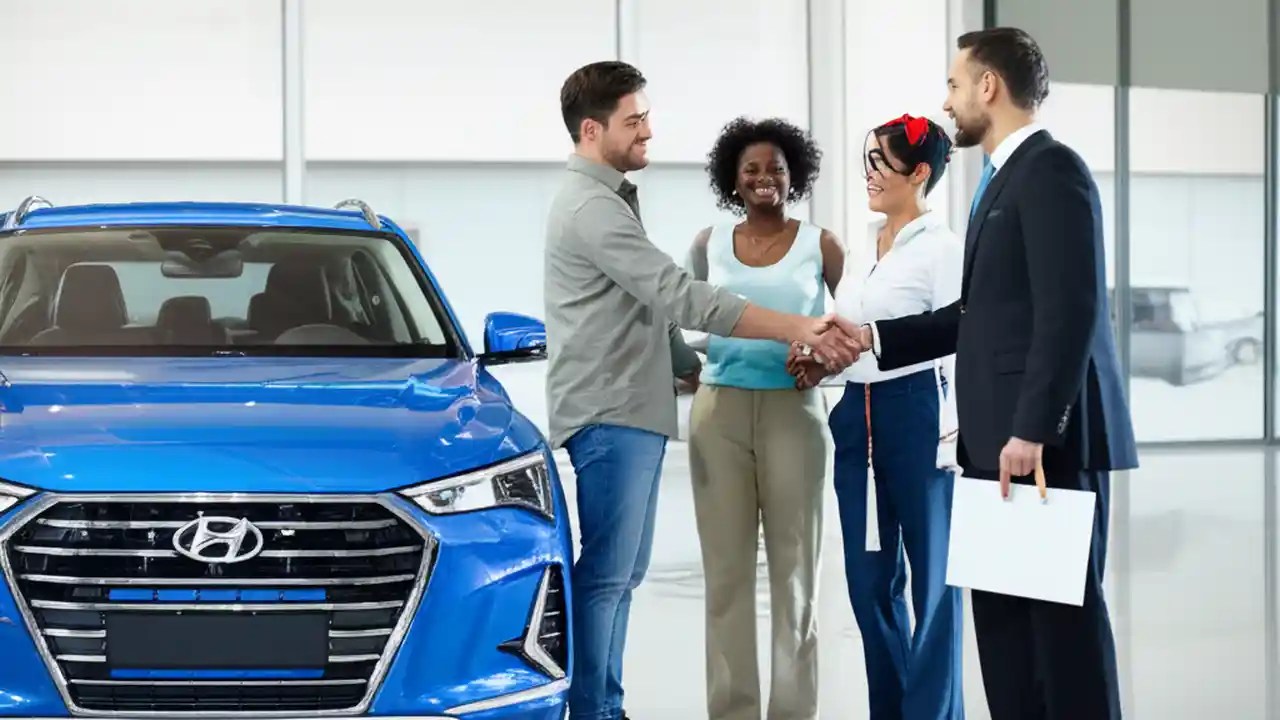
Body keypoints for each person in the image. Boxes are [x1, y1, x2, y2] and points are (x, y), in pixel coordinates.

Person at [835, 28, 1139, 720]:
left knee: (1062, 638)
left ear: (988, 87)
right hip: (996, 449)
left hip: (1040, 450)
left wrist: (1031, 428)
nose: (948, 102)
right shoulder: (1000, 181)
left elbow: (1071, 309)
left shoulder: (1051, 170)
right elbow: (977, 315)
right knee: (1005, 635)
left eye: (953, 85)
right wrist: (872, 338)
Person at [543, 61, 861, 720]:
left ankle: (607, 706)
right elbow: (679, 296)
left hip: (701, 409)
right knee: (614, 577)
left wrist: (686, 360)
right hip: (621, 412)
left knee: (627, 577)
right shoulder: (594, 207)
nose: (649, 130)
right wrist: (796, 326)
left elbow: (651, 310)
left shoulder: (610, 200)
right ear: (593, 128)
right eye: (635, 120)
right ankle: (598, 710)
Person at [792, 114, 965, 720]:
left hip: (917, 416)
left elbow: (955, 334)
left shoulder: (943, 250)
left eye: (879, 163)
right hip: (854, 421)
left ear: (918, 173)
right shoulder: (864, 244)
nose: (867, 173)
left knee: (935, 584)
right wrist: (820, 362)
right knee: (869, 585)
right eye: (865, 159)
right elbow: (855, 339)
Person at [682, 116, 843, 720]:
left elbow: (847, 330)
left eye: (775, 167)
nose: (763, 178)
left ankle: (793, 713)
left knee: (796, 577)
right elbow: (684, 316)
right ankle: (732, 712)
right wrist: (690, 368)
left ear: (792, 173)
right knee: (725, 579)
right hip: (718, 414)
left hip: (793, 415)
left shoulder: (822, 244)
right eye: (751, 169)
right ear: (734, 178)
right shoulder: (708, 243)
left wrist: (823, 365)